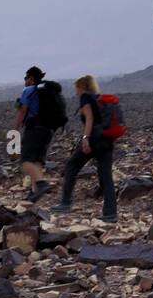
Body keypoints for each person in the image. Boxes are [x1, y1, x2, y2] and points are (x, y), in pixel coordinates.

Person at [50, 75, 117, 223]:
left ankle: (66, 202)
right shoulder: (98, 97)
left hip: (94, 139)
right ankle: (110, 213)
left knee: (71, 166)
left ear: (82, 86)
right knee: (106, 176)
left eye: (76, 86)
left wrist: (85, 139)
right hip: (107, 141)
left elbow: (90, 118)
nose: (75, 89)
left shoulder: (85, 97)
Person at [14, 66, 54, 202]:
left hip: (34, 129)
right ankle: (34, 193)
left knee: (25, 162)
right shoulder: (47, 91)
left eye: (26, 78)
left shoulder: (28, 90)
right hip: (48, 130)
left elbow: (22, 110)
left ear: (31, 78)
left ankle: (41, 184)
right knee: (36, 161)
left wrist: (16, 128)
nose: (25, 81)